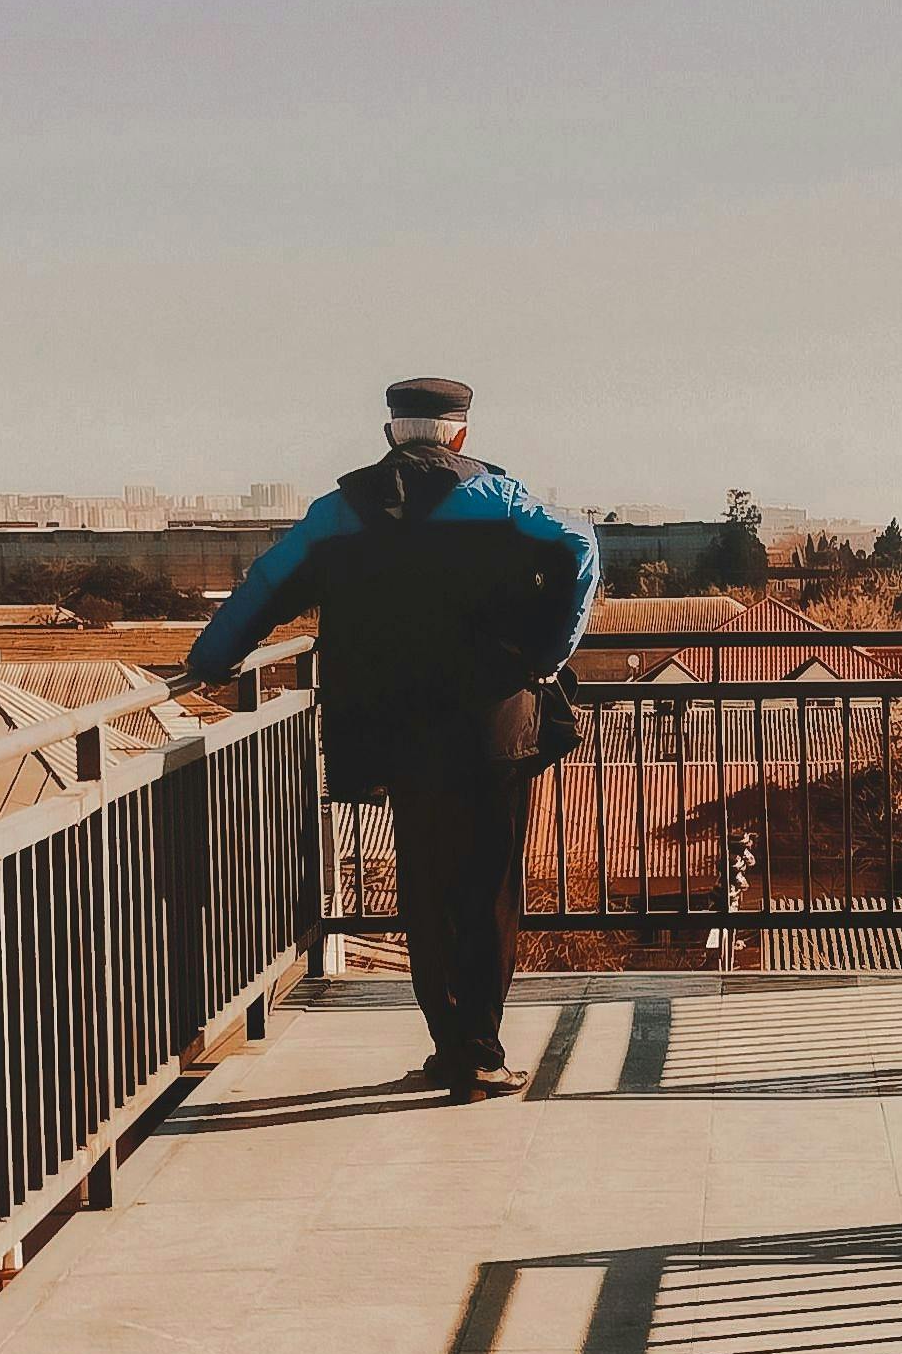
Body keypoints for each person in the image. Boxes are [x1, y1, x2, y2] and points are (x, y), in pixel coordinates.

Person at [186, 378, 598, 1099]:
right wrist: (547, 653)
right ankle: (480, 1053)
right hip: (493, 728)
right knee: (489, 889)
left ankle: (448, 1047)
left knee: (426, 889)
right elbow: (579, 543)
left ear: (389, 434)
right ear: (460, 435)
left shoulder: (340, 512)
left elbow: (266, 584)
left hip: (397, 730)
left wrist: (211, 658)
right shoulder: (500, 501)